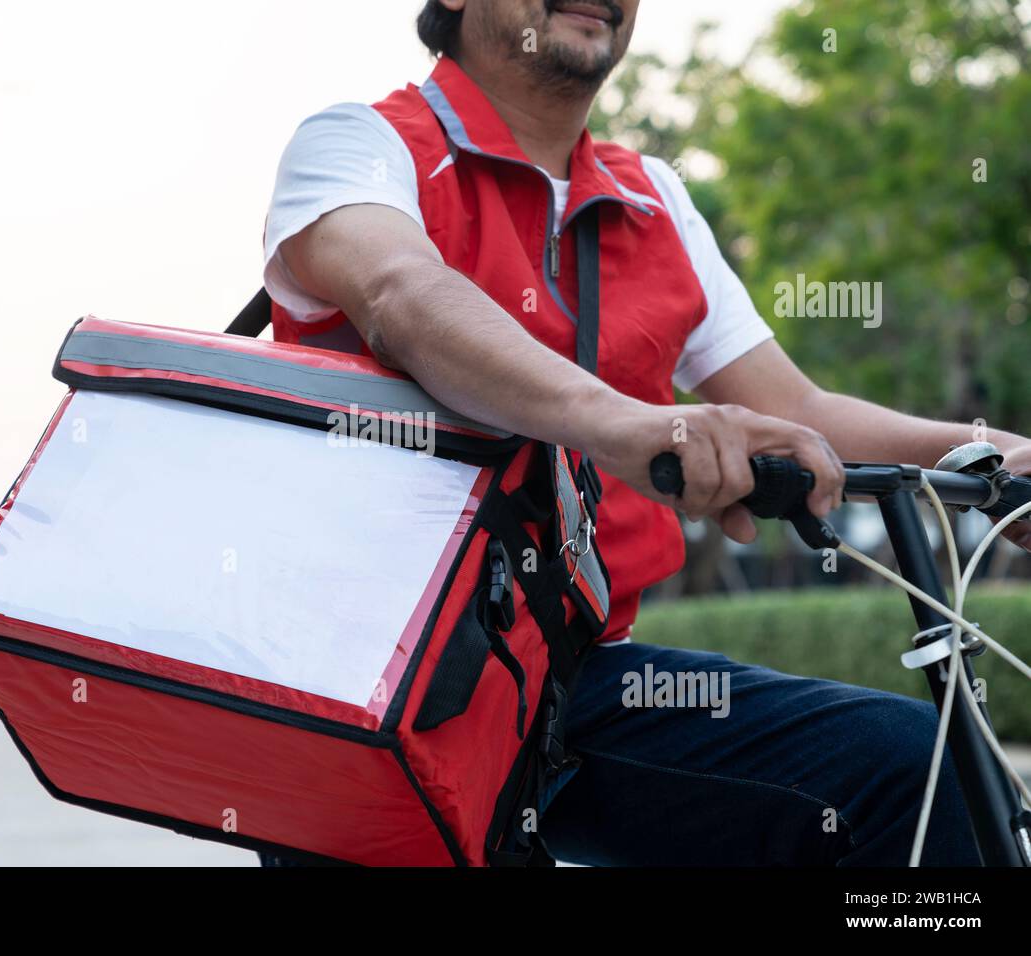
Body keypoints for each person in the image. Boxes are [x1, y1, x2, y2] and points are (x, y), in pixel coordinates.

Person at [256, 0, 1031, 865]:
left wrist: (991, 452)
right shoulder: (358, 146)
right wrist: (630, 424)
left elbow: (797, 412)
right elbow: (403, 295)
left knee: (920, 771)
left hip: (578, 681)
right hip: (372, 692)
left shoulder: (652, 194)